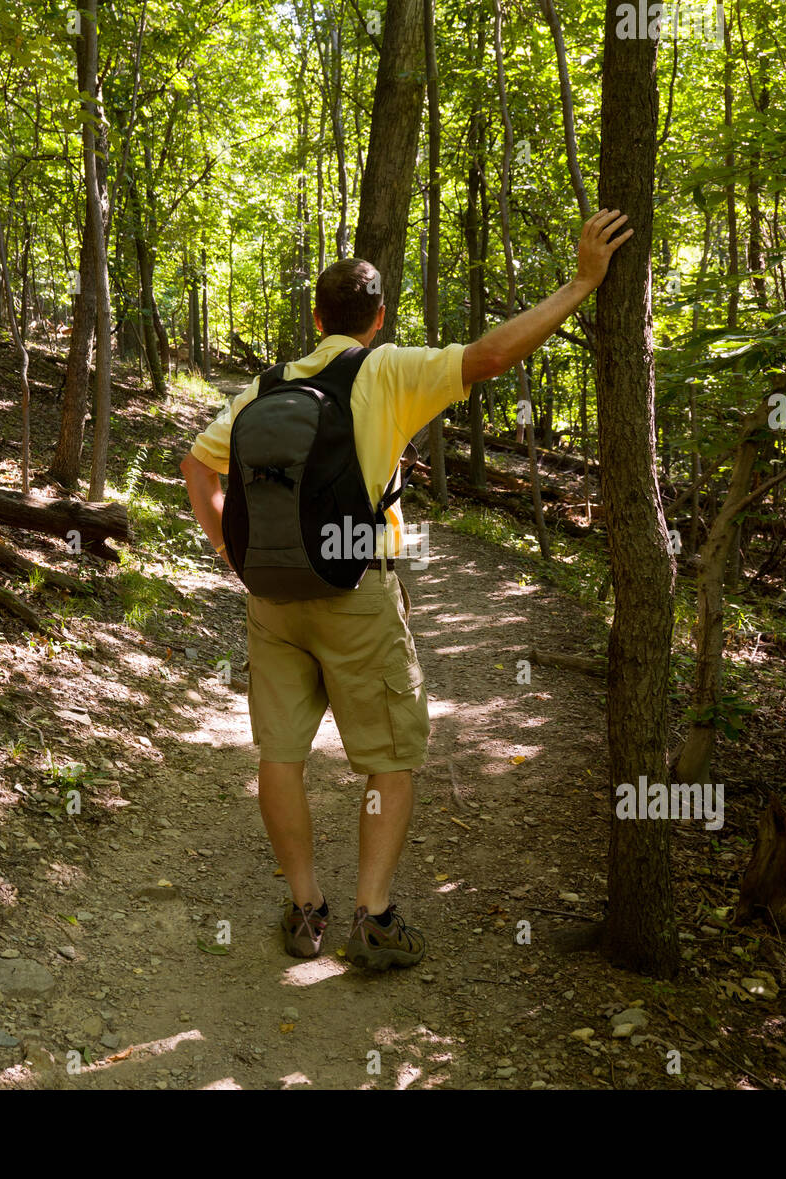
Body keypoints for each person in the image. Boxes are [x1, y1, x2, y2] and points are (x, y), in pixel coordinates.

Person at [180, 208, 632, 970]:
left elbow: (198, 467)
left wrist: (232, 550)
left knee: (280, 755)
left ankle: (303, 907)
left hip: (272, 597)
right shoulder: (386, 371)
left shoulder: (266, 385)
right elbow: (490, 355)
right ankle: (374, 915)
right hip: (358, 590)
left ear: (316, 316)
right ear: (379, 318)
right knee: (389, 758)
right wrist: (583, 281)